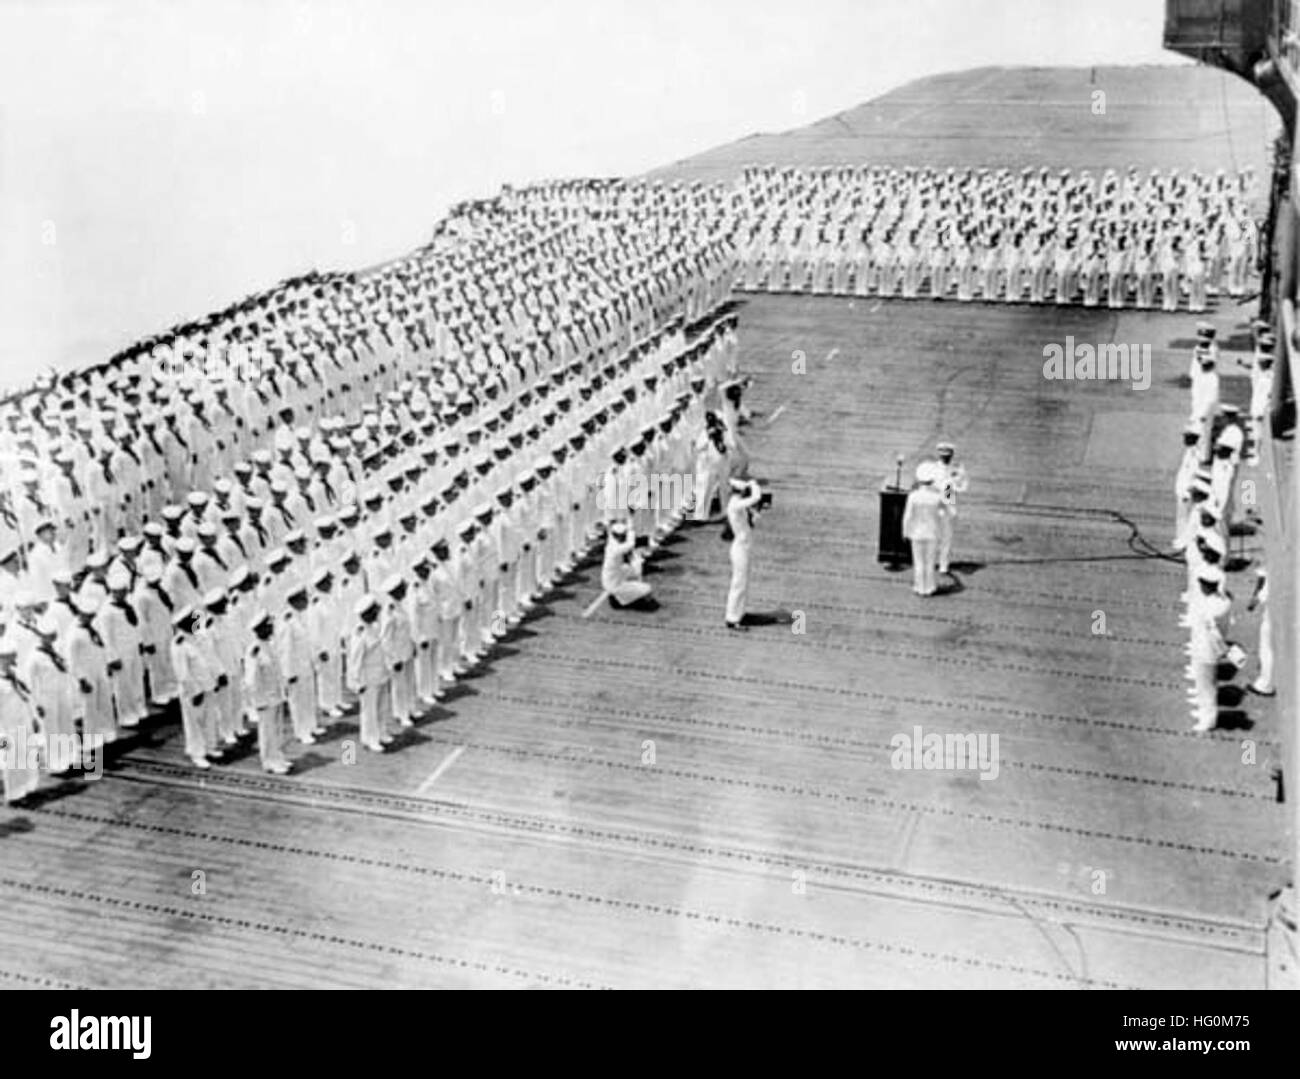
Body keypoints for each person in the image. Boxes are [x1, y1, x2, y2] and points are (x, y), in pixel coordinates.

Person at [244, 609, 291, 774]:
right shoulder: (254, 651)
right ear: (260, 629)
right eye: (268, 627)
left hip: (276, 695)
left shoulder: (269, 646)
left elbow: (277, 672)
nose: (272, 630)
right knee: (267, 731)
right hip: (265, 699)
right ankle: (269, 761)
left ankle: (278, 756)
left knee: (277, 730)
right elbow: (251, 681)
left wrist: (283, 691)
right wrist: (259, 702)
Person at [723, 478, 763, 629]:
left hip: (744, 547)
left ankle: (739, 613)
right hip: (739, 548)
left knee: (742, 582)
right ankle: (732, 618)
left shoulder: (738, 503)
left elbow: (750, 520)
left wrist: (755, 514)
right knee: (738, 583)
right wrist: (754, 484)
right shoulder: (735, 504)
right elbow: (756, 497)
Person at [902, 463, 947, 597]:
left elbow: (908, 516)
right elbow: (946, 510)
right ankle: (930, 587)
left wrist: (905, 531)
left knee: (919, 562)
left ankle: (920, 587)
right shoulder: (937, 495)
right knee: (930, 561)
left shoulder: (913, 496)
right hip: (932, 532)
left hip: (917, 533)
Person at [934, 440, 968, 575]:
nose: (945, 458)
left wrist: (955, 481)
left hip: (948, 506)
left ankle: (943, 564)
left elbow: (963, 486)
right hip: (935, 506)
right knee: (933, 536)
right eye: (943, 455)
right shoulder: (933, 468)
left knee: (946, 537)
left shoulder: (957, 469)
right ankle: (931, 561)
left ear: (952, 455)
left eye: (948, 455)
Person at [601, 521, 652, 610]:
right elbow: (630, 544)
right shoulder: (615, 549)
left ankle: (620, 598)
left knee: (634, 569)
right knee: (647, 589)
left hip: (614, 575)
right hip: (614, 583)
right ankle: (622, 602)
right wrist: (631, 530)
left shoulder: (611, 541)